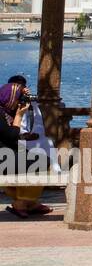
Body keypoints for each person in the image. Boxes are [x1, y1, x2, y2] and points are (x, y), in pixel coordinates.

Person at [0, 78, 47, 218]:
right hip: (2, 158)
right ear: (10, 97)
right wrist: (19, 115)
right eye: (18, 97)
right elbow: (12, 135)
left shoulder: (5, 113)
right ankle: (24, 202)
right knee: (43, 163)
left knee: (36, 159)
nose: (19, 102)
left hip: (4, 154)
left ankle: (27, 202)